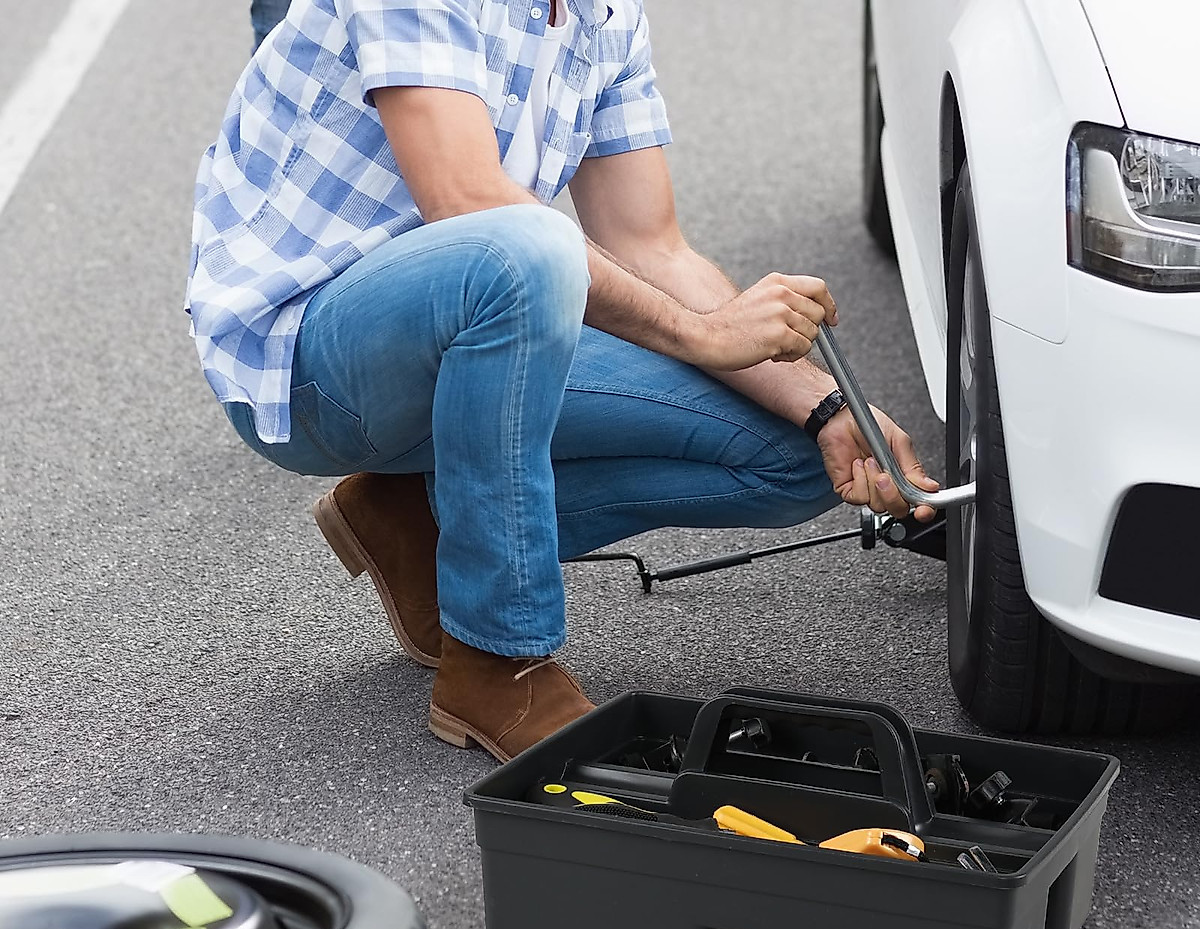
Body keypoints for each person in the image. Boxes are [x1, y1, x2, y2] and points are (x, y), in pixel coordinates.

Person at [186, 0, 938, 764]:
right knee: (526, 251)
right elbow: (467, 197)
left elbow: (651, 248)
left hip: (480, 318)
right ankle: (494, 660)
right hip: (310, 359)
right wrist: (702, 334)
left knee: (799, 454)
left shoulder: (605, 14)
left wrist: (829, 407)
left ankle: (421, 520)